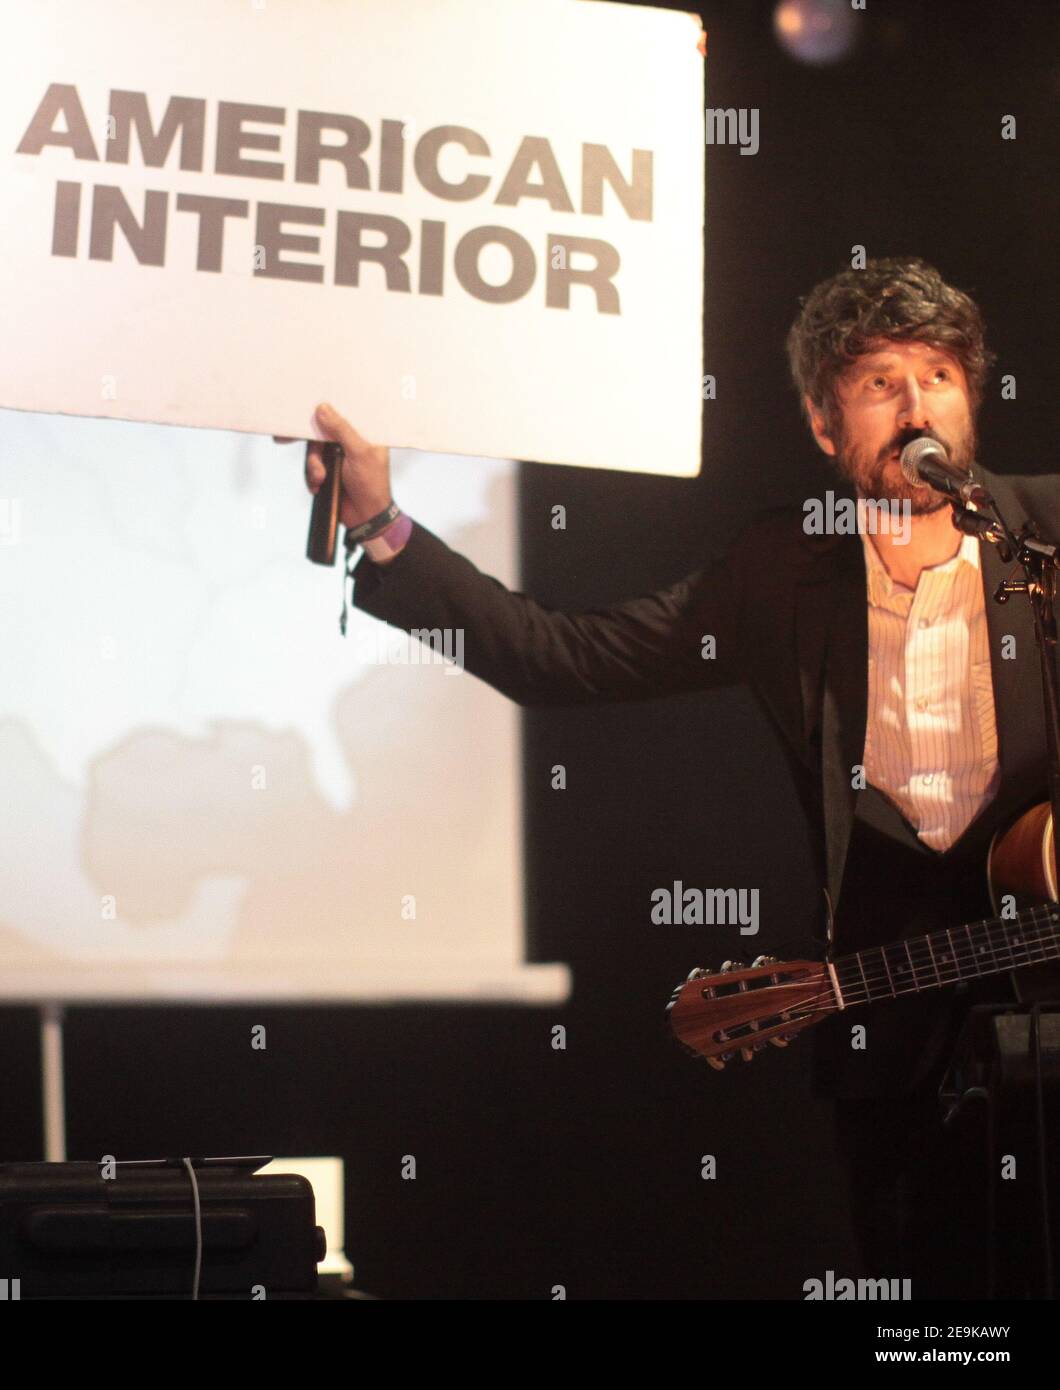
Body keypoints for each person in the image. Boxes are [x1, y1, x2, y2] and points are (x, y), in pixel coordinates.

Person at [278, 256, 1059, 1298]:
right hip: (896, 1040)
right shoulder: (779, 574)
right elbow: (564, 657)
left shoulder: (1043, 535)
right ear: (826, 425)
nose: (916, 403)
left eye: (939, 376)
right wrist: (381, 526)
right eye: (880, 381)